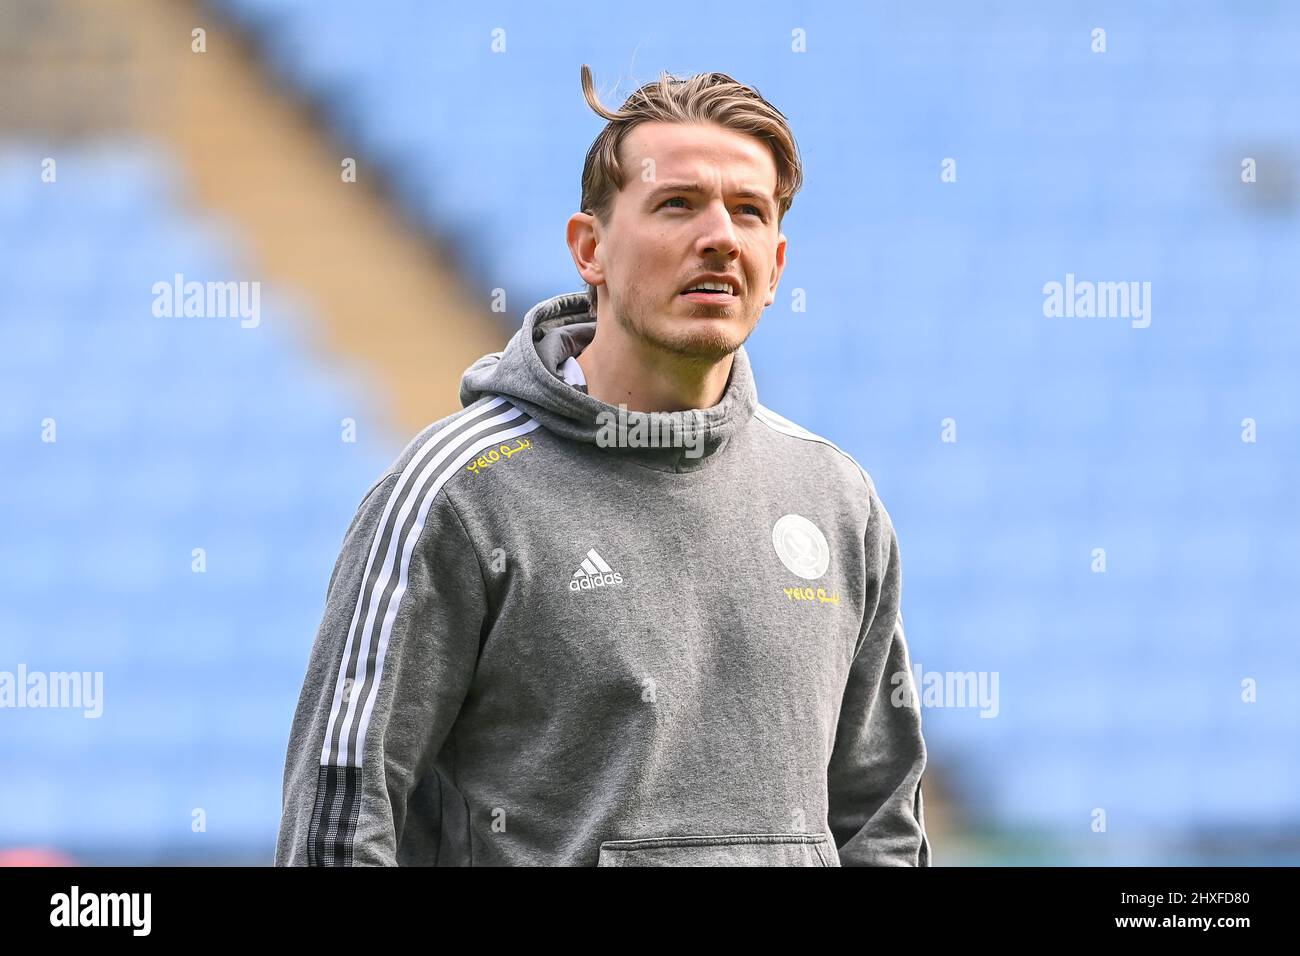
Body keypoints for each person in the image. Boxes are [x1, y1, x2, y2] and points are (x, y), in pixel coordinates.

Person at [275, 64, 930, 866]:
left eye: (749, 211)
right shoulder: (458, 494)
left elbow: (881, 820)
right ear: (590, 249)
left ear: (776, 265)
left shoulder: (835, 498)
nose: (721, 235)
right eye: (678, 204)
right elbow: (342, 817)